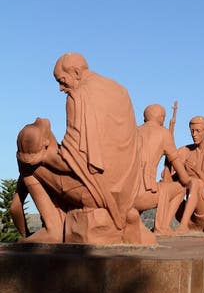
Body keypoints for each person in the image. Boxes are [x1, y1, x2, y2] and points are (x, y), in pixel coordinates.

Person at [12, 53, 152, 244]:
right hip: (125, 193)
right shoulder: (120, 91)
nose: (61, 88)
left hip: (96, 193)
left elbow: (72, 161)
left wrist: (42, 157)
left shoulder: (78, 97)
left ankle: (52, 229)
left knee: (28, 165)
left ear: (76, 72)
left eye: (62, 81)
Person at [133, 104, 190, 233]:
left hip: (127, 194)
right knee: (180, 189)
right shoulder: (163, 133)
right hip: (145, 194)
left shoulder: (134, 131)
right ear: (160, 118)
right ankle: (162, 227)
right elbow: (175, 160)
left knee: (161, 187)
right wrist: (187, 181)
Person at [165, 116, 204, 233]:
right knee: (166, 187)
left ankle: (183, 226)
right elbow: (170, 179)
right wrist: (168, 170)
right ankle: (163, 225)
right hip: (189, 215)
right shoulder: (184, 151)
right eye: (192, 131)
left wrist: (198, 173)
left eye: (198, 131)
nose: (194, 134)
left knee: (196, 182)